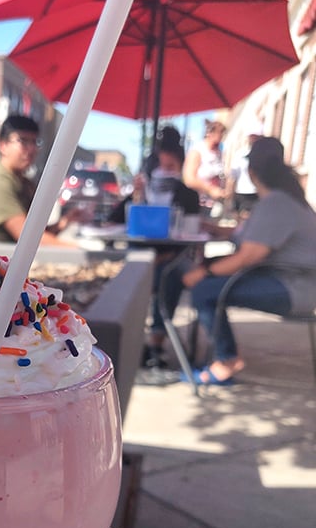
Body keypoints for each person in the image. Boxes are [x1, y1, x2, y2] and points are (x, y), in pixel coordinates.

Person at [182, 136, 316, 385]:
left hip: (294, 290)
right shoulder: (286, 200)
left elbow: (247, 257)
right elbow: (245, 237)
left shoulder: (276, 203)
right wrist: (212, 229)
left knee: (204, 289)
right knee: (208, 278)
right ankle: (218, 355)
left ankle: (227, 360)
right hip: (296, 283)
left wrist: (203, 273)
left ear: (252, 172)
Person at [107, 140, 200, 372]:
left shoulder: (188, 195)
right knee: (130, 276)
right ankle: (125, 340)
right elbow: (113, 220)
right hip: (139, 257)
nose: (164, 171)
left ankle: (156, 342)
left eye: (171, 166)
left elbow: (190, 235)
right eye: (161, 165)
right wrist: (136, 196)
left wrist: (161, 257)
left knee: (168, 277)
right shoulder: (141, 192)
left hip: (170, 258)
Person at [0, 115, 76, 246]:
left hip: (15, 254)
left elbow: (36, 235)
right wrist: (80, 251)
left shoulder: (24, 182)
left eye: (35, 142)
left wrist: (66, 221)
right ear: (3, 145)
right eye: (23, 141)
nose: (31, 149)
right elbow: (26, 238)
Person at [183, 119, 229, 218]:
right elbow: (189, 179)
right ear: (209, 133)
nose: (221, 137)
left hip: (214, 205)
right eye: (219, 133)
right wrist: (210, 190)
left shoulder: (218, 153)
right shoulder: (197, 151)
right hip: (198, 204)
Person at [229, 124, 263, 223]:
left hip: (255, 193)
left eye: (256, 136)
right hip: (241, 192)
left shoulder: (263, 155)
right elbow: (233, 176)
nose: (253, 139)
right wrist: (230, 196)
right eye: (252, 136)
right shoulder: (240, 154)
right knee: (241, 221)